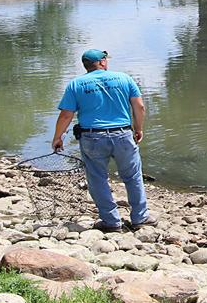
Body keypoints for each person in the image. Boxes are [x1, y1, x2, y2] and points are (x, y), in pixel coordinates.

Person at [51, 49, 153, 232]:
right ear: (103, 62)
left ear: (86, 65)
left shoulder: (76, 84)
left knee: (97, 178)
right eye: (106, 59)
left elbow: (66, 115)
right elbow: (140, 106)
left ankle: (111, 222)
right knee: (132, 176)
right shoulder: (124, 78)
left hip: (92, 137)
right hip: (122, 134)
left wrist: (58, 137)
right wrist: (138, 129)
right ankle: (140, 217)